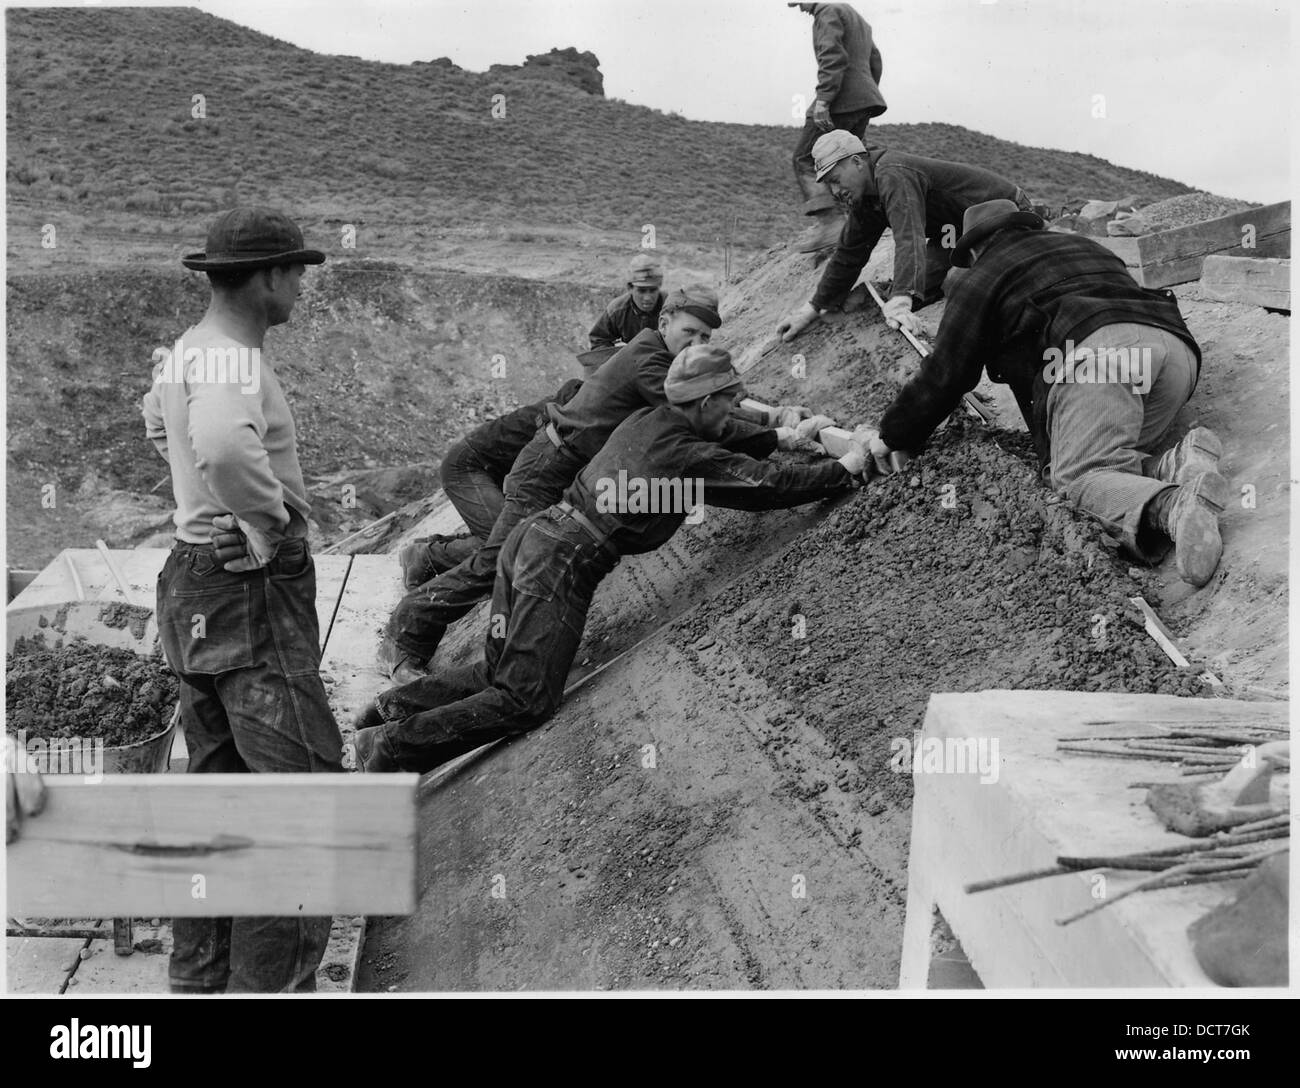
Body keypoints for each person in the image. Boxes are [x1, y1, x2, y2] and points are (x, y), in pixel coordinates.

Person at [353, 345, 869, 773]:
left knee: (497, 667)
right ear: (707, 402)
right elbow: (764, 485)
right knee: (524, 698)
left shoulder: (651, 420)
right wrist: (844, 467)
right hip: (560, 564)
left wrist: (785, 435)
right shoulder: (686, 454)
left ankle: (386, 710)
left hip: (532, 541)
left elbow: (731, 445)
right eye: (730, 401)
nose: (734, 410)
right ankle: (386, 748)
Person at [380, 285, 815, 684]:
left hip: (565, 466)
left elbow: (710, 405)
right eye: (690, 332)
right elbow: (704, 422)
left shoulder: (659, 359)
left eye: (705, 338)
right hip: (549, 466)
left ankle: (426, 566)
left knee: (509, 553)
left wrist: (771, 418)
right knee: (499, 561)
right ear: (664, 324)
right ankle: (408, 633)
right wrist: (779, 435)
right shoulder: (651, 363)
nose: (697, 344)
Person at [140, 207, 344, 993]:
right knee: (298, 810)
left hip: (193, 582)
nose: (301, 285)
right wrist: (266, 527)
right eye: (295, 271)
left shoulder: (187, 351)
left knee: (219, 793)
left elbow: (162, 425)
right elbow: (222, 445)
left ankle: (198, 985)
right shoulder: (231, 361)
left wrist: (202, 506)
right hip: (247, 592)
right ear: (264, 279)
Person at [864, 199, 1226, 587]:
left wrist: (891, 435)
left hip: (1102, 359)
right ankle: (1178, 463)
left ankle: (1172, 507)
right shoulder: (1084, 245)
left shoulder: (981, 275)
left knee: (1077, 480)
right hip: (1175, 355)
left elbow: (944, 375)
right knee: (1101, 455)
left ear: (973, 249)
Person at [776, 132, 1033, 340]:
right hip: (954, 232)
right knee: (923, 282)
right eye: (829, 185)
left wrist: (900, 300)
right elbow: (849, 254)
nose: (835, 190)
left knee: (963, 286)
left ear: (856, 162)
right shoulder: (864, 196)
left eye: (835, 179)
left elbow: (908, 236)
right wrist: (810, 309)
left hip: (1002, 214)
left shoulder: (892, 173)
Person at [397, 376, 586, 588]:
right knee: (505, 545)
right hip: (467, 468)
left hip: (486, 470)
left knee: (506, 536)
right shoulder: (569, 409)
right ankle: (426, 557)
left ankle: (441, 546)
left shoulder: (577, 400)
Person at [787, 2, 888, 253]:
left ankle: (832, 225)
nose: (798, 7)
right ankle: (862, 221)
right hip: (864, 99)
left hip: (840, 99)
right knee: (849, 162)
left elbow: (832, 56)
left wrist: (824, 99)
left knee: (806, 158)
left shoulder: (827, 11)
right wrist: (863, 92)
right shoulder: (856, 16)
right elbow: (875, 61)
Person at [588, 253, 667, 352]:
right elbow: (599, 341)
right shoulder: (617, 310)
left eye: (653, 290)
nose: (647, 297)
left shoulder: (671, 308)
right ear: (630, 288)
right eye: (641, 291)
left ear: (659, 287)